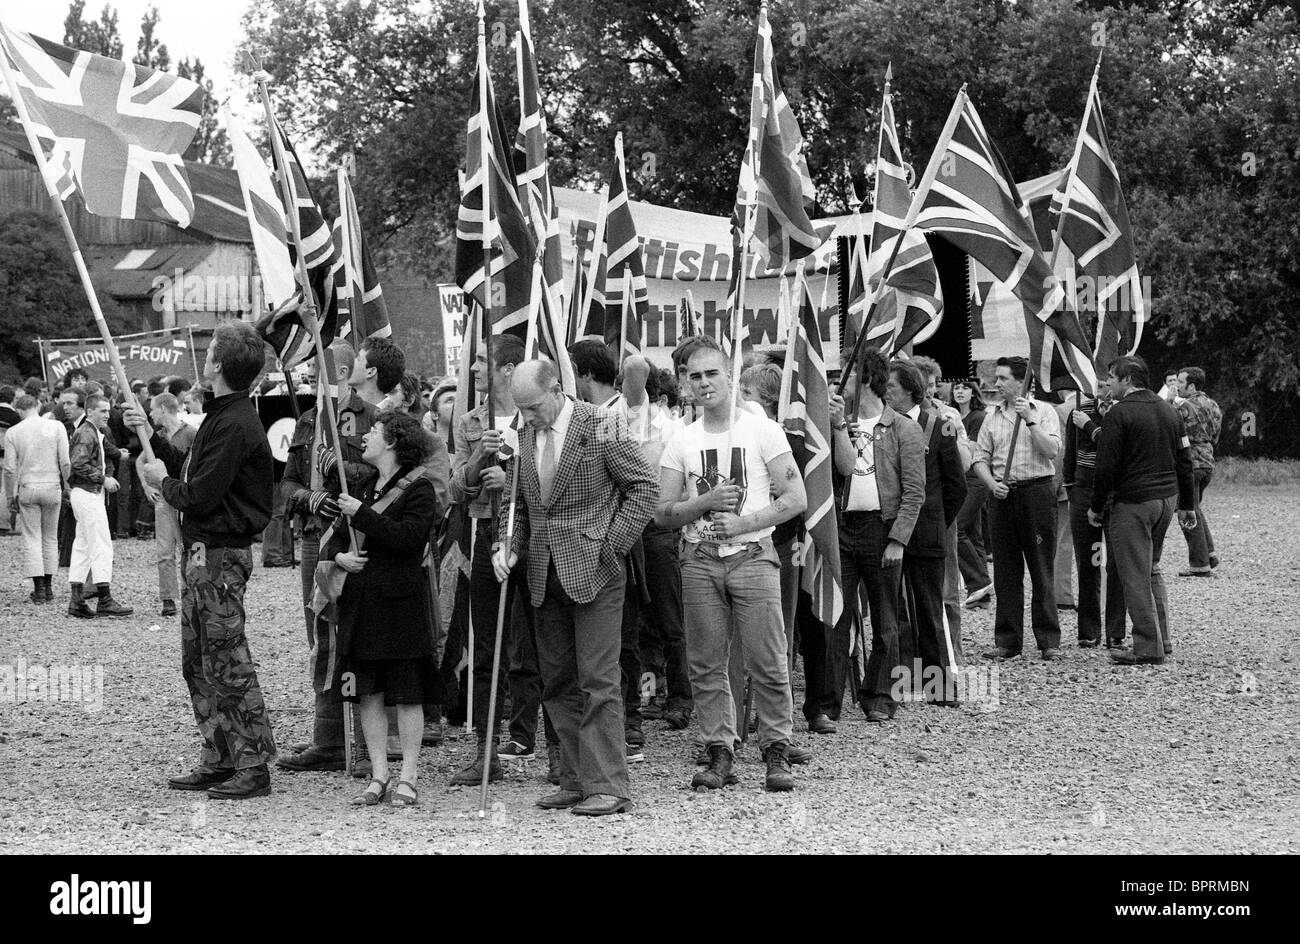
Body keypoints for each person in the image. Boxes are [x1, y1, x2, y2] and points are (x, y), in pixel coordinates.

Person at [493, 359, 658, 815]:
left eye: (530, 407)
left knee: (599, 681)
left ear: (556, 389)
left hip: (597, 573)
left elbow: (643, 488)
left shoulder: (601, 423)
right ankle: (572, 777)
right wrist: (505, 546)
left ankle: (608, 784)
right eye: (519, 409)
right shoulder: (525, 434)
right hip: (544, 574)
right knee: (557, 681)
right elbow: (517, 505)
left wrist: (612, 546)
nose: (524, 417)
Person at [132, 319, 277, 799]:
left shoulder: (236, 423)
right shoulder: (220, 416)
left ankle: (254, 764)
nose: (203, 358)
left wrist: (161, 482)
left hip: (219, 556)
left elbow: (201, 494)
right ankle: (219, 754)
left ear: (217, 364)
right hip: (201, 556)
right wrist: (156, 447)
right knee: (197, 662)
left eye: (209, 351)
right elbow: (198, 472)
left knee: (227, 660)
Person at [657, 345, 807, 792]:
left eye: (712, 374)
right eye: (695, 376)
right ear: (686, 382)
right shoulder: (681, 440)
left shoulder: (764, 431)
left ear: (729, 375)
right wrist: (702, 503)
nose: (704, 383)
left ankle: (776, 751)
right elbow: (662, 512)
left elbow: (796, 499)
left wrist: (743, 522)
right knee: (705, 663)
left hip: (752, 554)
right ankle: (718, 750)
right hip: (699, 559)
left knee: (767, 657)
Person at [276, 339, 388, 774]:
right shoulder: (307, 420)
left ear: (340, 374)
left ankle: (366, 744)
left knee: (358, 635)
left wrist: (344, 467)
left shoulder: (373, 418)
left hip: (355, 538)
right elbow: (285, 484)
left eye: (316, 369)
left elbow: (385, 475)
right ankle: (328, 738)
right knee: (320, 636)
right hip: (313, 540)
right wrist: (308, 497)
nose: (307, 375)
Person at [570, 339, 683, 759]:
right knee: (611, 637)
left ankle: (650, 710)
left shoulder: (624, 410)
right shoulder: (574, 415)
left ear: (583, 372)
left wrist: (621, 356)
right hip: (588, 535)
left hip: (632, 535)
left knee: (642, 628)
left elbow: (637, 365)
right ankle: (616, 718)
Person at [326, 411, 445, 807]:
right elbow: (337, 541)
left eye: (374, 431)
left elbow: (408, 540)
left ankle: (408, 776)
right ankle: (379, 775)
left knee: (408, 694)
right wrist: (341, 557)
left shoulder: (420, 490)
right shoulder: (361, 484)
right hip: (361, 606)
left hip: (400, 606)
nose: (366, 436)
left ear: (393, 441)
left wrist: (362, 516)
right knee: (368, 693)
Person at [449, 335, 550, 784]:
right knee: (487, 648)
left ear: (509, 370)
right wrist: (478, 461)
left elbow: (551, 484)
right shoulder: (471, 420)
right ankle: (486, 751)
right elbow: (455, 487)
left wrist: (508, 476)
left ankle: (558, 753)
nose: (473, 369)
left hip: (535, 538)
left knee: (547, 644)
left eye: (483, 361)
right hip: (487, 534)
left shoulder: (541, 419)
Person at [816, 347, 925, 726]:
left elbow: (915, 491)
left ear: (864, 377)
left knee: (885, 618)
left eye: (846, 371)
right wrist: (834, 428)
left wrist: (898, 539)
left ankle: (879, 696)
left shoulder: (904, 429)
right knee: (836, 616)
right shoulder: (836, 423)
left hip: (882, 528)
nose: (839, 379)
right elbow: (840, 471)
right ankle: (827, 703)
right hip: (843, 529)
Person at [1089, 355, 1196, 665]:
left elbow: (1105, 468)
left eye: (1111, 377)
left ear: (1127, 379)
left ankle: (1148, 647)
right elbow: (1185, 460)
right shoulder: (1170, 411)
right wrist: (1187, 505)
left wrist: (1096, 508)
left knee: (1134, 574)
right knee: (1151, 568)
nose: (1107, 383)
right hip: (1166, 501)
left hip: (1134, 503)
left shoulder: (1118, 413)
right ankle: (1163, 639)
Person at [885, 359, 966, 702]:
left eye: (890, 386)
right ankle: (906, 679)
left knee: (931, 610)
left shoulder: (939, 427)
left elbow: (957, 486)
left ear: (909, 389)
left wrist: (936, 521)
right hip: (891, 533)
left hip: (928, 532)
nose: (886, 391)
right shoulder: (884, 428)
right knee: (897, 610)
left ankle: (940, 687)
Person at [972, 356, 1063, 660]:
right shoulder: (992, 416)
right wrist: (990, 484)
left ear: (1021, 381)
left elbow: (1051, 451)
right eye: (996, 378)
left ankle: (1048, 640)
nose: (996, 384)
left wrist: (1030, 421)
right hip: (1003, 495)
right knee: (1006, 571)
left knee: (1040, 566)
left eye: (1002, 378)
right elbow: (979, 458)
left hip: (1036, 492)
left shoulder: (1045, 412)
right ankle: (1008, 641)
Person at [66, 393, 131, 618]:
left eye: (107, 411)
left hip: (83, 493)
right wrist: (104, 479)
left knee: (82, 546)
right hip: (88, 493)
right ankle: (104, 599)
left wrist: (118, 454)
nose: (107, 415)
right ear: (90, 411)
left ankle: (77, 601)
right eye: (103, 411)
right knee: (102, 545)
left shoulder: (92, 431)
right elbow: (78, 464)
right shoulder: (87, 433)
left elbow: (104, 450)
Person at [4, 394, 70, 602]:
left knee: (32, 537)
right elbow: (65, 462)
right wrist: (68, 487)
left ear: (19, 410)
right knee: (50, 537)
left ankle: (39, 588)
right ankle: (49, 586)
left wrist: (9, 495)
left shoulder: (14, 432)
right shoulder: (57, 427)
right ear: (38, 405)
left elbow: (9, 468)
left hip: (28, 485)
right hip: (52, 484)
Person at [141, 393, 196, 617]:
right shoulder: (157, 437)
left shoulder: (192, 433)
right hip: (164, 498)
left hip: (185, 498)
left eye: (153, 409)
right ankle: (168, 599)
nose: (151, 414)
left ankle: (193, 589)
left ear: (163, 408)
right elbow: (140, 461)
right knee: (164, 551)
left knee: (192, 547)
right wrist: (147, 487)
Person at [1175, 366, 1222, 576]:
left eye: (1180, 382)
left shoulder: (1184, 407)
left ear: (1191, 386)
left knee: (1187, 512)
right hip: (1207, 463)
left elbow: (1174, 434)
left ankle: (1199, 564)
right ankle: (1209, 553)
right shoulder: (1214, 406)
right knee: (1196, 508)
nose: (1176, 386)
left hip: (1189, 464)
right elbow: (1216, 436)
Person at [951, 381, 991, 606]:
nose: (959, 391)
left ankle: (978, 582)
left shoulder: (978, 417)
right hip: (960, 479)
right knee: (973, 535)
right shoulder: (951, 415)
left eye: (965, 387)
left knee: (956, 527)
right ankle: (983, 595)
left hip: (975, 478)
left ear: (973, 392)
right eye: (956, 387)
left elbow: (973, 448)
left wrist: (959, 441)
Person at [0, 385, 19, 533]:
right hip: (6, 456)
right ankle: (4, 524)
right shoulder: (14, 416)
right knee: (5, 490)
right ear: (12, 399)